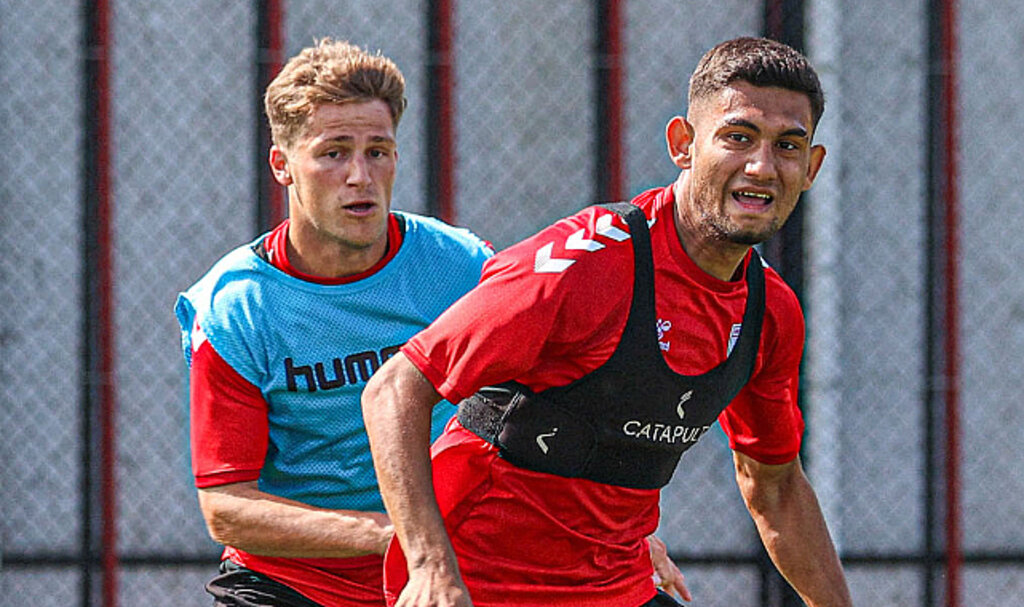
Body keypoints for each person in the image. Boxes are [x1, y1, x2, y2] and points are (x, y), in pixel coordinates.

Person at [362, 36, 853, 607]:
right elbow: (394, 389)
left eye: (787, 145)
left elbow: (777, 488)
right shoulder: (585, 265)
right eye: (737, 137)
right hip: (479, 585)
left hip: (614, 588)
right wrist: (429, 568)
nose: (761, 166)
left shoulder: (771, 314)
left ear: (812, 167)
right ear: (683, 144)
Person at [174, 39, 494, 606]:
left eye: (378, 151)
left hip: (453, 575)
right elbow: (227, 507)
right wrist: (402, 536)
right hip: (289, 586)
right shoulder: (235, 307)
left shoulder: (463, 268)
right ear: (282, 165)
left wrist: (621, 539)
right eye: (333, 153)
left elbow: (560, 399)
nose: (359, 176)